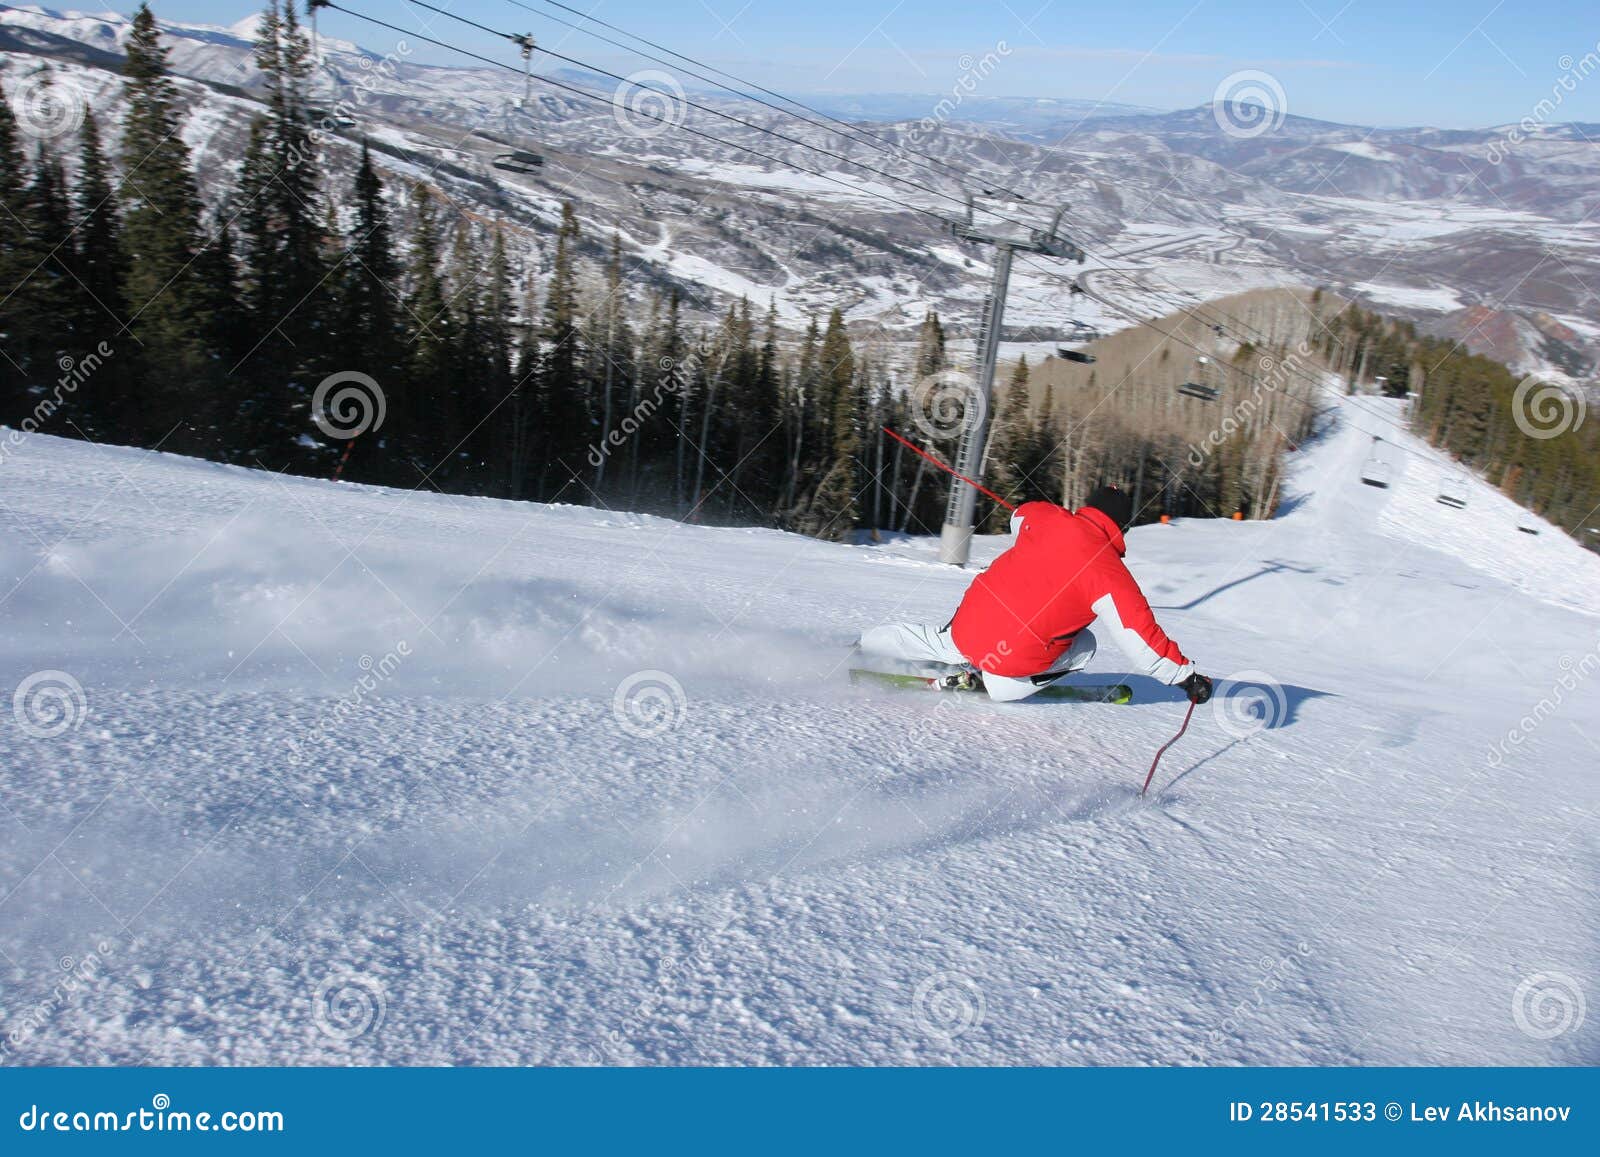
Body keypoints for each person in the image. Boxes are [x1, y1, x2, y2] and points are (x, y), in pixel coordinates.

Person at [858, 485, 1214, 704]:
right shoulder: (1110, 574)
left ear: (1087, 506)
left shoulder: (1044, 517)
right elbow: (1142, 642)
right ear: (1121, 526)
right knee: (1086, 644)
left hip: (969, 625)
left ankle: (865, 644)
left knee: (942, 640)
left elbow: (1020, 515)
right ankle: (992, 681)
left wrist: (1038, 523)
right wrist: (1186, 678)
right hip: (1014, 658)